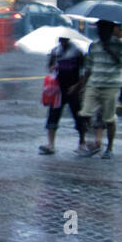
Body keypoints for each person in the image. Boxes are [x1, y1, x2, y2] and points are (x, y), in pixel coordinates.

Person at [77, 19, 122, 158]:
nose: (100, 32)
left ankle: (109, 148)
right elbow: (88, 67)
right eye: (99, 29)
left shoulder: (118, 45)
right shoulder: (94, 45)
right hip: (94, 84)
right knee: (84, 113)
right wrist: (82, 85)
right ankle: (93, 143)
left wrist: (109, 50)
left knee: (109, 119)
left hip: (111, 85)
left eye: (103, 29)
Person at [40, 36, 85, 154]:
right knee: (53, 114)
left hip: (73, 88)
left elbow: (84, 70)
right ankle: (51, 144)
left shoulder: (77, 52)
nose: (62, 42)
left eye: (65, 39)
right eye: (61, 39)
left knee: (78, 116)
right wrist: (52, 65)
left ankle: (82, 143)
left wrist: (79, 86)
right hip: (58, 89)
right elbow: (49, 66)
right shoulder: (55, 51)